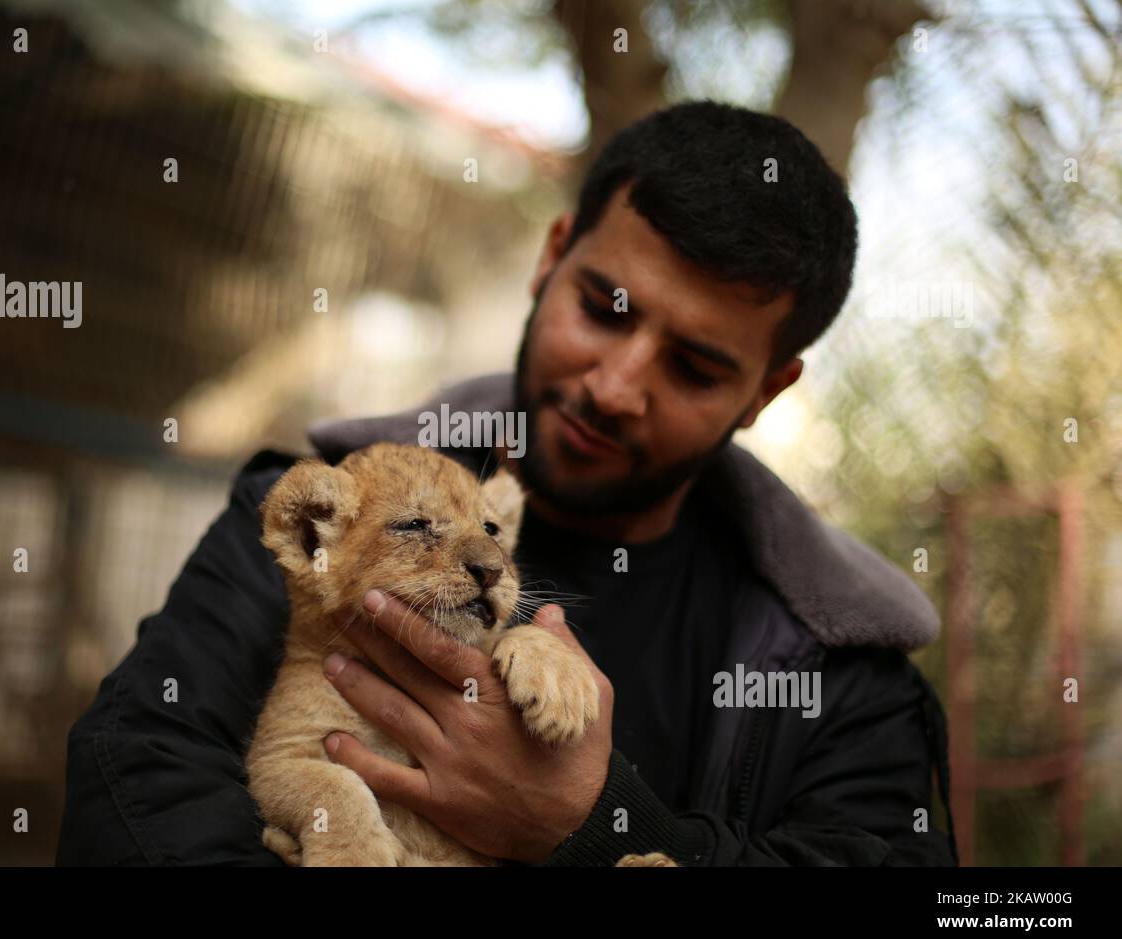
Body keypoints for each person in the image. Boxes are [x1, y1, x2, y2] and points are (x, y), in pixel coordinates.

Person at [56, 101, 958, 866]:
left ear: (765, 391)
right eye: (604, 308)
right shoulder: (318, 514)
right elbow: (130, 782)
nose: (615, 387)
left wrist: (596, 824)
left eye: (692, 366)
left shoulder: (842, 666)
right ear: (551, 256)